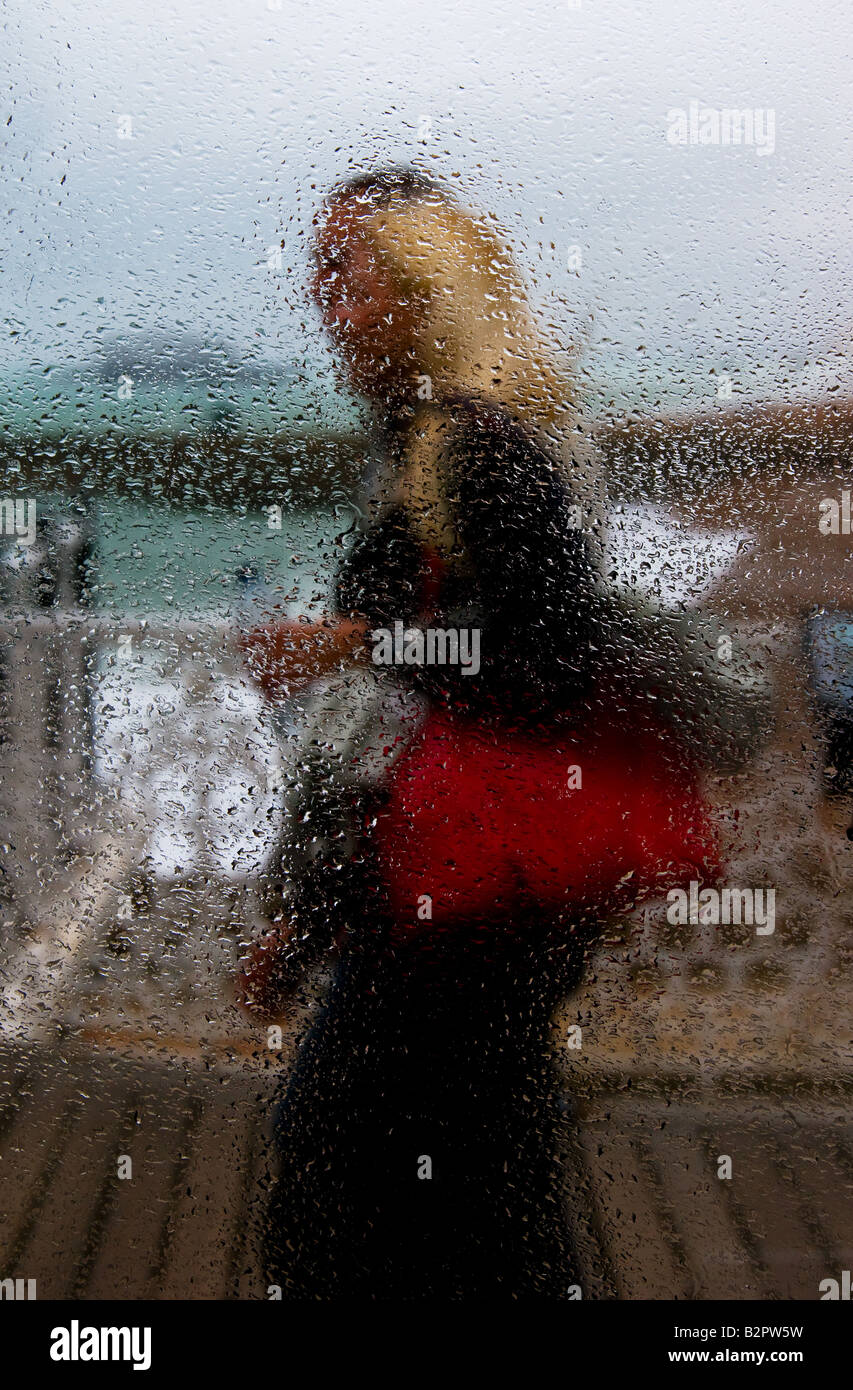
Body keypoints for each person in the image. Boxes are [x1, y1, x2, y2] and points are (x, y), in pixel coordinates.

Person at [238, 168, 722, 1299]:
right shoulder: (434, 443)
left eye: (344, 270)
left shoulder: (473, 450)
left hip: (480, 904)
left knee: (350, 1182)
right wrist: (315, 923)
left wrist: (355, 641)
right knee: (469, 1191)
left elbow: (539, 668)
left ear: (419, 289)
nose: (319, 295)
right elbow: (416, 735)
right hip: (463, 897)